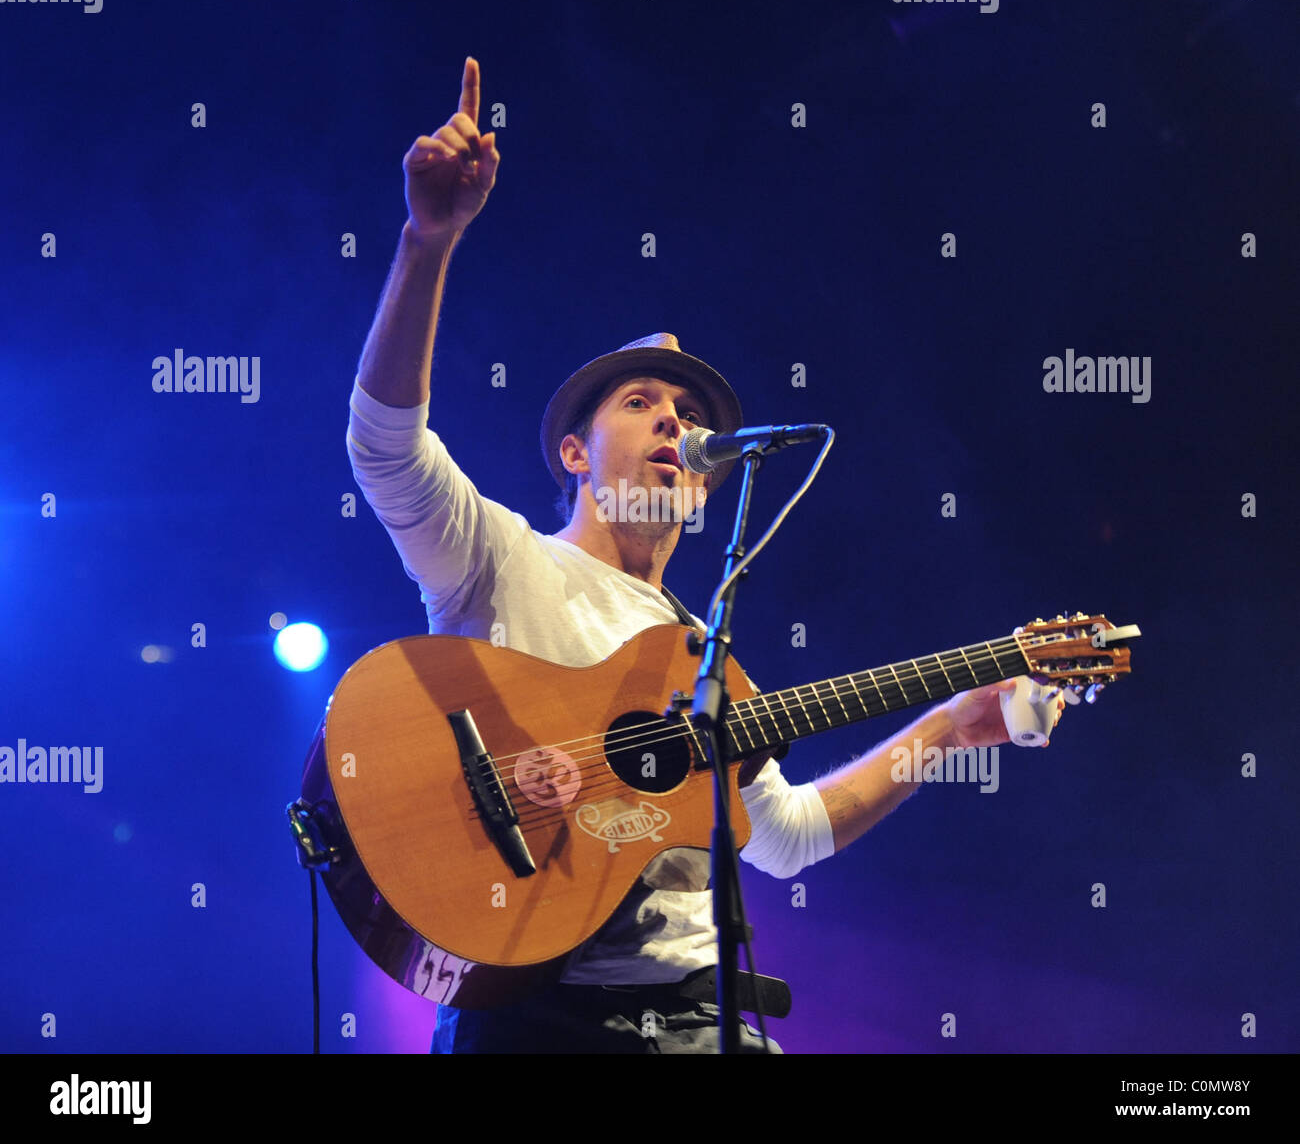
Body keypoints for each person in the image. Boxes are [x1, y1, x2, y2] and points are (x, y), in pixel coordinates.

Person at [346, 58, 1064, 1054]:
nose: (674, 422)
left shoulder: (699, 655)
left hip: (695, 1021)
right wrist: (427, 242)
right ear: (574, 454)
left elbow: (789, 839)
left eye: (688, 414)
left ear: (709, 477)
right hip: (531, 1019)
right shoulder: (503, 561)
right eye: (640, 402)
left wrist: (951, 724)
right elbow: (384, 446)